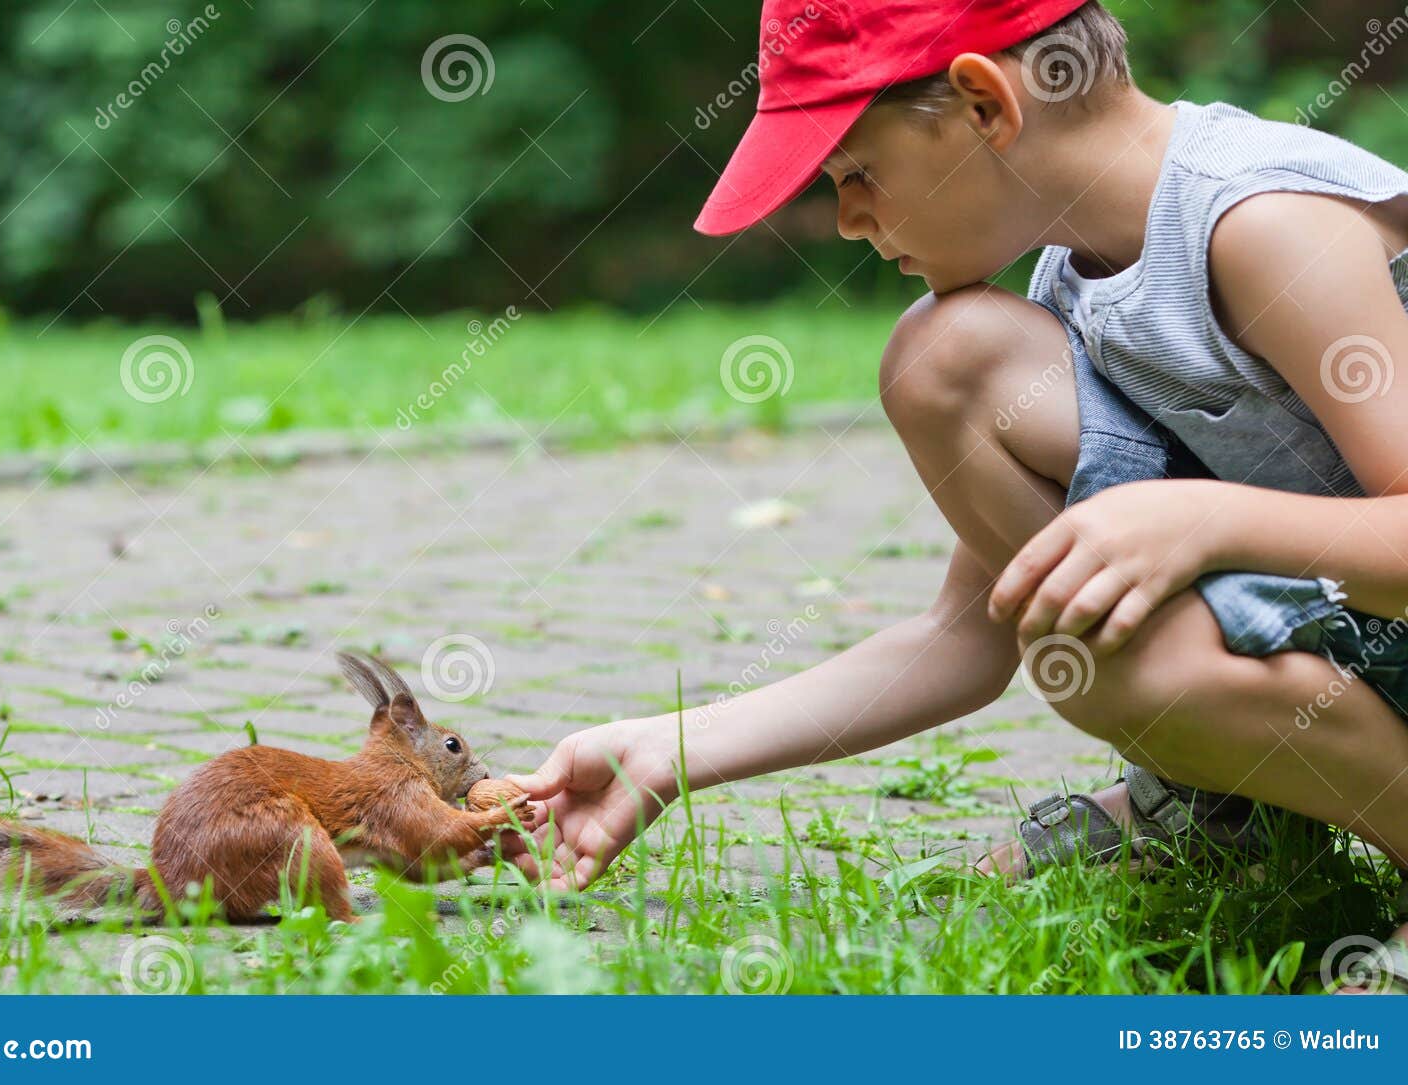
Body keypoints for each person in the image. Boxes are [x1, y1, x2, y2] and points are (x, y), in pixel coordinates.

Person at [505, 0, 1408, 980]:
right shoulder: (1077, 279)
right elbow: (965, 637)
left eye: (855, 174)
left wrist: (1202, 518)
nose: (847, 219)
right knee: (944, 359)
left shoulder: (1264, 223)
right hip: (1362, 631)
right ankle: (1224, 812)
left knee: (1101, 656)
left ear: (983, 103)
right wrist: (665, 749)